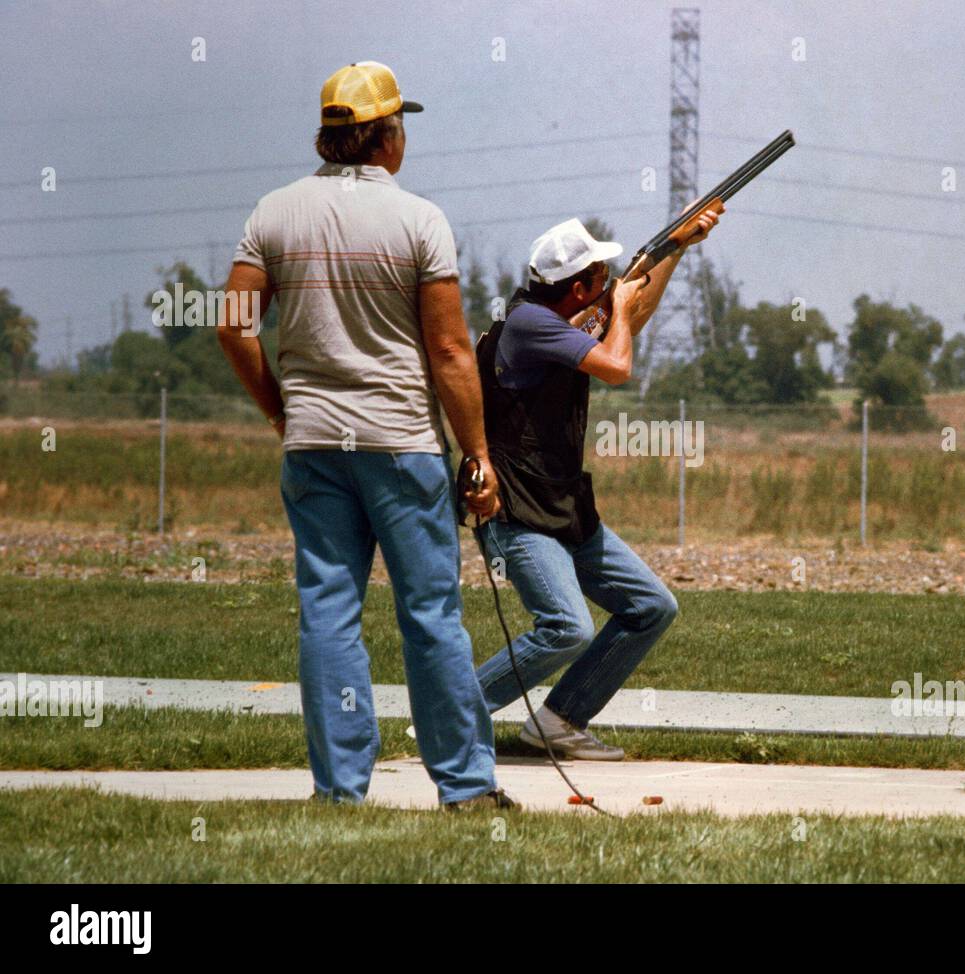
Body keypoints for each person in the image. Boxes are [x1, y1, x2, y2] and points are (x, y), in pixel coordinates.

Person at [216, 60, 513, 810]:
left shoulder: (272, 212)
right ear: (386, 138)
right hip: (402, 443)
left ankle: (340, 790)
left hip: (313, 444)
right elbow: (448, 351)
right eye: (400, 126)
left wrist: (280, 410)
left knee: (328, 610)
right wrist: (477, 454)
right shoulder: (419, 220)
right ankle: (467, 786)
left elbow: (233, 324)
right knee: (430, 614)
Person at [470, 211, 719, 759]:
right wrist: (622, 309)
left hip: (561, 507)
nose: (608, 284)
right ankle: (454, 711)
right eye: (600, 278)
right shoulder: (530, 326)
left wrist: (676, 247)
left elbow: (627, 319)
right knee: (567, 628)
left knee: (651, 607)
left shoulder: (551, 324)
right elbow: (617, 364)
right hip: (519, 510)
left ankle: (559, 721)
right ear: (578, 288)